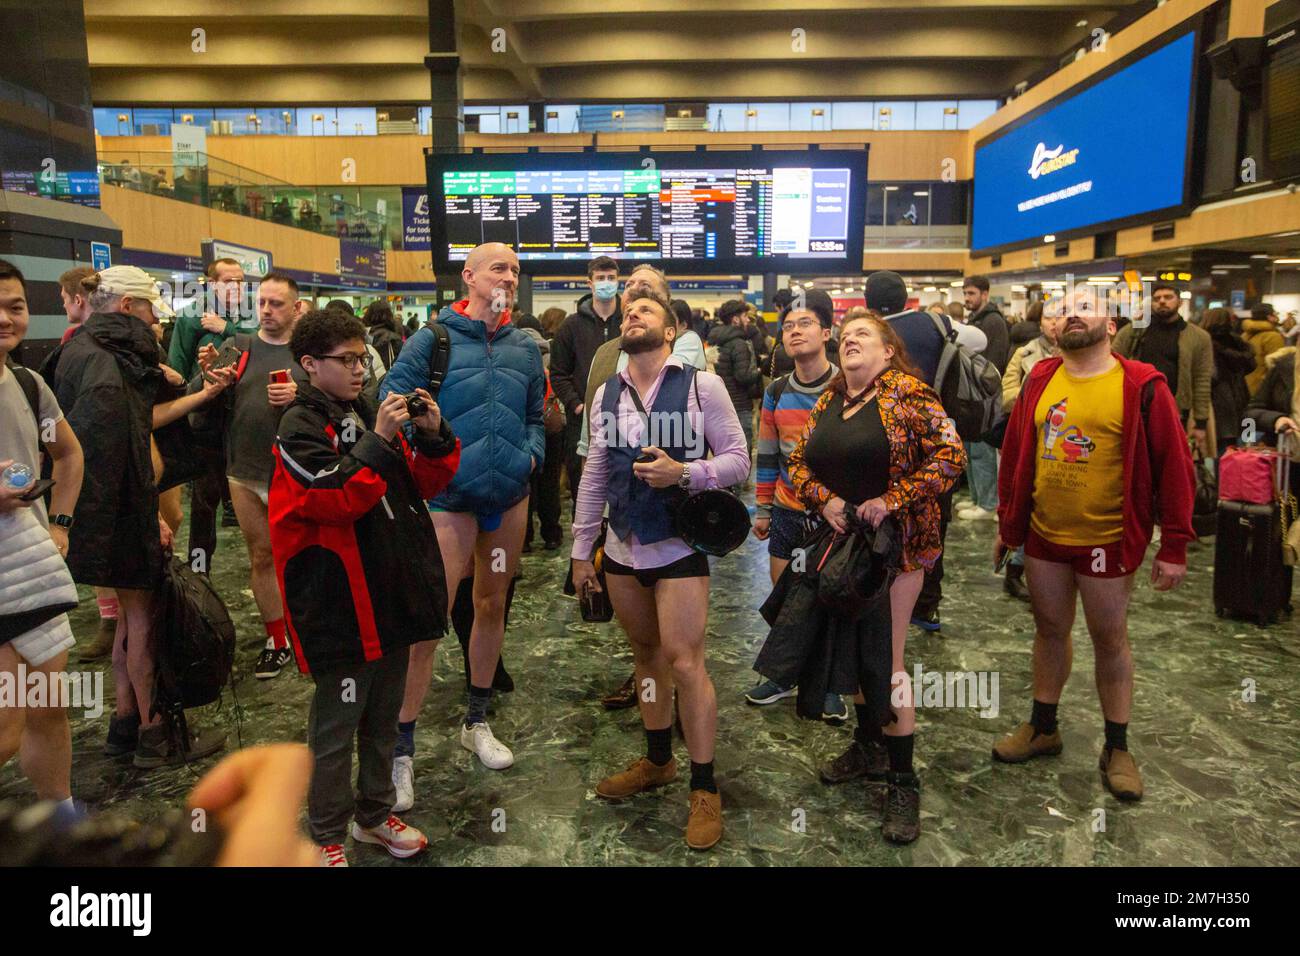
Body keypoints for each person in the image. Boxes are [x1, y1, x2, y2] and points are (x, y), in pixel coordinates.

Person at [269, 308, 460, 865]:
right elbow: (334, 498)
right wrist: (379, 438)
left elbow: (423, 483)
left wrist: (432, 434)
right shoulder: (298, 426)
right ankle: (326, 833)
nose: (360, 370)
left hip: (388, 588)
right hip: (336, 597)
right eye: (346, 360)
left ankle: (373, 816)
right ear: (310, 365)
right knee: (336, 725)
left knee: (382, 717)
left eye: (363, 359)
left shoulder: (366, 411)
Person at [993, 287, 1194, 802]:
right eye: (1062, 309)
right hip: (1045, 536)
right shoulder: (1040, 379)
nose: (1071, 315)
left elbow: (1175, 469)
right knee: (1049, 630)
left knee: (1110, 638)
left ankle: (1118, 745)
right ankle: (1043, 725)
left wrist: (1174, 545)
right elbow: (1018, 454)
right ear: (1052, 327)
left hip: (1107, 539)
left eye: (1086, 306)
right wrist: (1009, 528)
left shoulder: (1143, 385)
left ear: (1111, 324)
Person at [571, 294, 749, 850]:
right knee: (645, 656)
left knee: (686, 662)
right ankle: (657, 760)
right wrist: (582, 550)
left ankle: (704, 785)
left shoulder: (703, 387)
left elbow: (738, 460)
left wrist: (686, 473)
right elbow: (595, 473)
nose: (632, 315)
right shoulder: (607, 393)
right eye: (627, 310)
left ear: (671, 331)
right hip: (623, 548)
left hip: (679, 546)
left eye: (645, 311)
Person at [786, 311, 965, 844]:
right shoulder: (833, 398)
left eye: (863, 335)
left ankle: (903, 780)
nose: (850, 342)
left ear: (889, 351)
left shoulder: (910, 394)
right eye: (846, 337)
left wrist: (892, 500)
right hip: (843, 548)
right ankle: (868, 746)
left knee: (887, 661)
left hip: (899, 550)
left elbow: (950, 457)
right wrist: (830, 500)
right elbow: (798, 463)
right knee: (854, 651)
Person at [45, 266, 235, 768]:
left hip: (108, 514)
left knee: (132, 620)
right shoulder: (108, 363)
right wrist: (146, 515)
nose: (157, 325)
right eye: (152, 313)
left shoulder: (87, 351)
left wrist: (200, 393)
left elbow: (143, 420)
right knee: (145, 622)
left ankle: (125, 724)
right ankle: (156, 735)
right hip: (123, 513)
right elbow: (110, 450)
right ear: (128, 307)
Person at [380, 242, 544, 798]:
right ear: (469, 277)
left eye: (516, 270)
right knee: (429, 619)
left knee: (491, 606)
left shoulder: (525, 346)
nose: (510, 277)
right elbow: (390, 398)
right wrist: (427, 452)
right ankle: (400, 747)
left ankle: (476, 721)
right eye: (500, 267)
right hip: (448, 498)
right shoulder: (434, 339)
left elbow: (535, 415)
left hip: (509, 496)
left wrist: (532, 455)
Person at [0, 259, 85, 820]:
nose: (7, 318)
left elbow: (69, 453)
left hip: (31, 572)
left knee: (48, 707)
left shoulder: (29, 385)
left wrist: (60, 525)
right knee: (5, 727)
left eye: (15, 306)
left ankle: (61, 819)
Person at [191, 272, 306, 679]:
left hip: (295, 474)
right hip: (243, 472)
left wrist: (300, 395)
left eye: (277, 304)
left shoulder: (310, 352)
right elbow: (196, 401)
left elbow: (340, 400)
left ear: (297, 309)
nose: (267, 311)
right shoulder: (236, 346)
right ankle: (277, 639)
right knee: (261, 556)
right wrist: (211, 382)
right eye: (262, 303)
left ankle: (306, 630)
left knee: (301, 558)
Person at [864, 270, 984, 634]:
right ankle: (926, 605)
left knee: (880, 519)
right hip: (934, 440)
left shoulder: (868, 334)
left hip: (882, 443)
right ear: (906, 298)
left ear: (869, 304)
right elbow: (977, 340)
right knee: (933, 523)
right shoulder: (935, 322)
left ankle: (879, 599)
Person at [747, 288, 844, 719]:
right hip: (787, 510)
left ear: (826, 331)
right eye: (788, 326)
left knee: (830, 598)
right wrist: (763, 508)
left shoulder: (848, 386)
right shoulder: (778, 390)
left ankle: (828, 683)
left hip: (836, 517)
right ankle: (786, 675)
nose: (794, 332)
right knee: (787, 598)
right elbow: (767, 453)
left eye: (804, 323)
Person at [168, 258, 250, 571]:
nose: (237, 287)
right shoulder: (191, 314)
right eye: (229, 281)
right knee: (204, 500)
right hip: (204, 418)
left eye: (241, 281)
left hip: (242, 415)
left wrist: (226, 328)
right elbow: (178, 365)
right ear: (212, 283)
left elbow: (261, 344)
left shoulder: (251, 311)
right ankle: (199, 568)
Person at [998, 299, 1066, 602]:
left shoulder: (1087, 358)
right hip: (1030, 436)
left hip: (1065, 443)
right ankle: (1015, 568)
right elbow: (1007, 393)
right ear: (1041, 323)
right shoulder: (1024, 354)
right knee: (1024, 501)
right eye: (1050, 318)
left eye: (1060, 318)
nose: (1054, 323)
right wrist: (1036, 398)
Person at [550, 256, 623, 508]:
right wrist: (576, 404)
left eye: (611, 278)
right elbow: (558, 372)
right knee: (583, 485)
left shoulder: (629, 322)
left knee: (622, 482)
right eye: (600, 278)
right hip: (581, 421)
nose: (606, 283)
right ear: (589, 283)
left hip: (625, 418)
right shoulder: (570, 327)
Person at [1113, 281, 1214, 457]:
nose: (1162, 301)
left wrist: (1200, 423)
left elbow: (1201, 380)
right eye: (1157, 298)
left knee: (1171, 462)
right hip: (1136, 410)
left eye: (1168, 297)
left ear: (1180, 302)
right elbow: (1112, 363)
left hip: (1176, 413)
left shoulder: (1199, 337)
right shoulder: (1133, 332)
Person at [960, 275, 1010, 520]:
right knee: (970, 450)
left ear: (985, 294)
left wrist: (983, 390)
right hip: (971, 395)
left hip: (985, 397)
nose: (967, 298)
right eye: (965, 294)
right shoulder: (976, 319)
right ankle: (977, 498)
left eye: (971, 293)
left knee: (981, 452)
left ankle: (988, 504)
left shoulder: (993, 322)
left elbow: (995, 361)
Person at [707, 299, 763, 454]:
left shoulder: (714, 339)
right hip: (739, 405)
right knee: (742, 453)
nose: (747, 320)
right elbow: (743, 376)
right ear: (735, 319)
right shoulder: (739, 343)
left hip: (718, 405)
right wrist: (758, 371)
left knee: (723, 453)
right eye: (745, 316)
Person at [1202, 307, 1256, 457]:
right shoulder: (1238, 341)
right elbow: (1251, 366)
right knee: (1244, 444)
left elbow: (1211, 375)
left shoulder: (1204, 341)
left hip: (1217, 400)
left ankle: (1220, 478)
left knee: (1219, 447)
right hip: (1241, 396)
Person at [1241, 303, 1287, 395]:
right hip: (1262, 388)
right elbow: (1277, 365)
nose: (1277, 316)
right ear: (1269, 316)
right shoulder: (1273, 336)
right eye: (1275, 314)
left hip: (1244, 385)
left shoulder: (1245, 334)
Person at [362, 300, 405, 372]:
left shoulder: (362, 336)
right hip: (387, 378)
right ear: (390, 315)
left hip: (368, 378)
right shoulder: (393, 338)